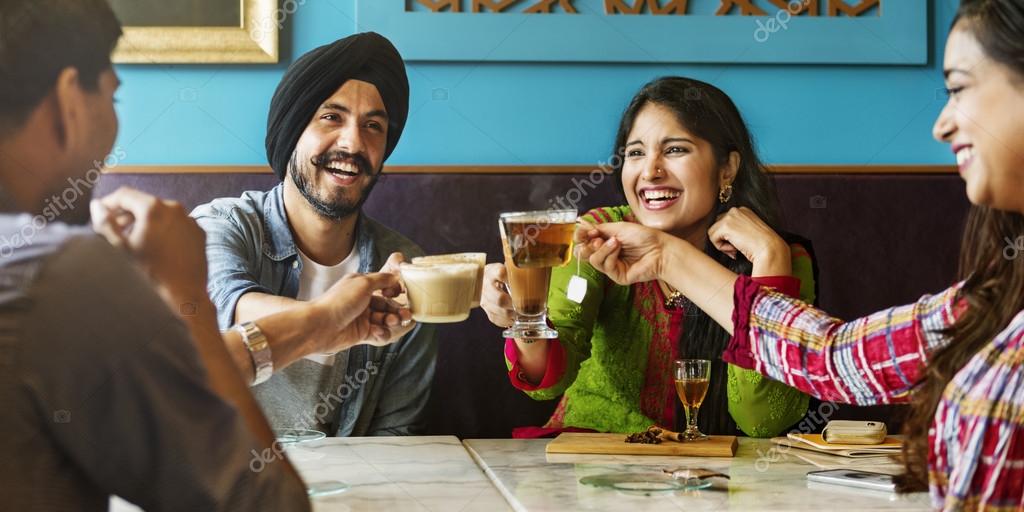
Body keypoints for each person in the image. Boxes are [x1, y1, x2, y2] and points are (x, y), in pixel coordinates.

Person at [575, 0, 1024, 508]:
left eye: (961, 89)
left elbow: (786, 397)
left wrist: (756, 256)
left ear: (728, 169)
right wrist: (666, 254)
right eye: (636, 152)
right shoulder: (995, 299)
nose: (941, 126)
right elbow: (835, 358)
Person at [0, 1, 410, 510]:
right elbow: (264, 502)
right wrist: (185, 292)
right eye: (112, 96)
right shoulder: (58, 275)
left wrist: (324, 321)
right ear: (69, 102)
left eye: (374, 126)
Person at [481, 77, 815, 437]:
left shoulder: (779, 257)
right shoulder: (600, 236)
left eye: (675, 150)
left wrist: (769, 262)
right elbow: (546, 380)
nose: (650, 171)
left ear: (727, 169)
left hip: (709, 476)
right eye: (635, 153)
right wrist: (524, 319)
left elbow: (763, 418)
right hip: (592, 465)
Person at [192, 32, 437, 437]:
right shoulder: (224, 225)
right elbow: (228, 304)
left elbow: (397, 434)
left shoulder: (403, 269)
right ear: (291, 131)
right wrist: (337, 317)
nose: (354, 142)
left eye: (373, 125)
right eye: (331, 117)